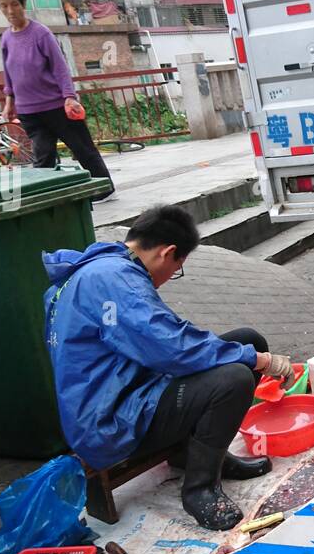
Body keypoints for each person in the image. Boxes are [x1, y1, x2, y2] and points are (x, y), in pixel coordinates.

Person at [42, 205, 297, 530]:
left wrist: (250, 353)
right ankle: (199, 490)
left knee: (248, 341)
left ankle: (199, 457)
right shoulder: (115, 280)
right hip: (110, 422)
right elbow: (172, 347)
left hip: (127, 391)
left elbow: (164, 342)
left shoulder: (101, 268)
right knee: (234, 376)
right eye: (178, 268)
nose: (168, 278)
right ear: (168, 253)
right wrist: (261, 361)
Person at [0, 0, 113, 198]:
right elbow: (9, 73)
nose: (10, 10)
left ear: (23, 3)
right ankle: (48, 200)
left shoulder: (41, 34)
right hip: (30, 111)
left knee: (83, 149)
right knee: (43, 158)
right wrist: (9, 102)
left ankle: (104, 190)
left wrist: (69, 96)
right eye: (4, 6)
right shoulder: (6, 38)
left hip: (57, 106)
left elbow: (60, 68)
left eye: (14, 4)